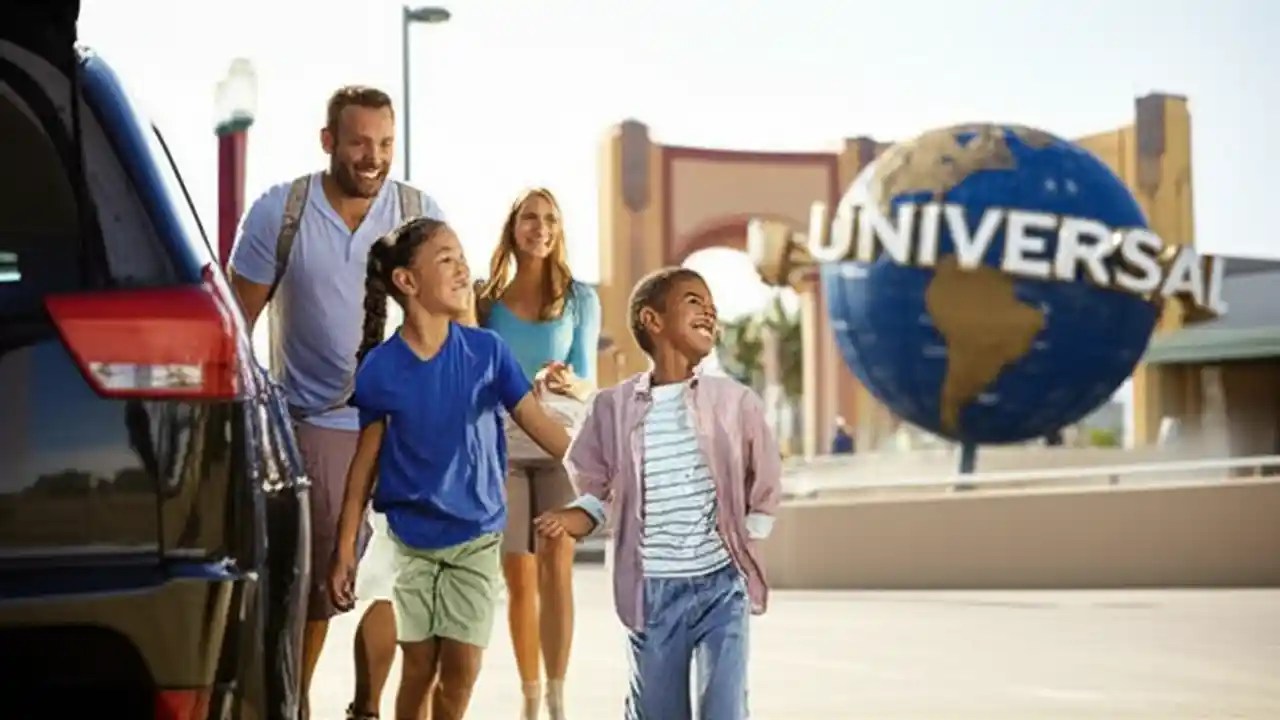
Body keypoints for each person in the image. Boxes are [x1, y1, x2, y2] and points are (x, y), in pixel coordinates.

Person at [227, 85, 445, 719]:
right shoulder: (282, 211)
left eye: (384, 144)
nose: (372, 157)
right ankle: (292, 703)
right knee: (322, 583)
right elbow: (238, 323)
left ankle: (367, 707)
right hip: (317, 423)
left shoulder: (415, 210)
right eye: (358, 143)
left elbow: (447, 318)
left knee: (398, 576)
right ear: (328, 141)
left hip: (402, 423)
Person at [329, 217, 573, 720]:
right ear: (408, 282)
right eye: (446, 259)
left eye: (462, 256)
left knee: (460, 670)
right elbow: (362, 470)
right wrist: (344, 549)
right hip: (410, 543)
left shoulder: (488, 353)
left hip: (477, 537)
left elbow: (542, 427)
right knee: (418, 666)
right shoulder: (381, 368)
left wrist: (604, 464)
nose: (463, 268)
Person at [535, 267, 783, 720]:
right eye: (694, 300)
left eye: (712, 305)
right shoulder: (613, 408)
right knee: (656, 712)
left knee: (723, 709)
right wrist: (577, 516)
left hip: (720, 586)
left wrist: (753, 527)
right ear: (652, 320)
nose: (709, 310)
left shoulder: (734, 401)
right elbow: (601, 487)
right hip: (651, 592)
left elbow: (763, 463)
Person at [474, 188, 600, 719]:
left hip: (556, 446)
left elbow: (589, 383)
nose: (541, 228)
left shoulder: (580, 299)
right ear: (513, 227)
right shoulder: (484, 300)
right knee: (518, 575)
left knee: (558, 569)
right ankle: (529, 697)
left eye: (550, 219)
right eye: (531, 218)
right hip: (501, 447)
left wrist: (568, 380)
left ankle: (557, 696)